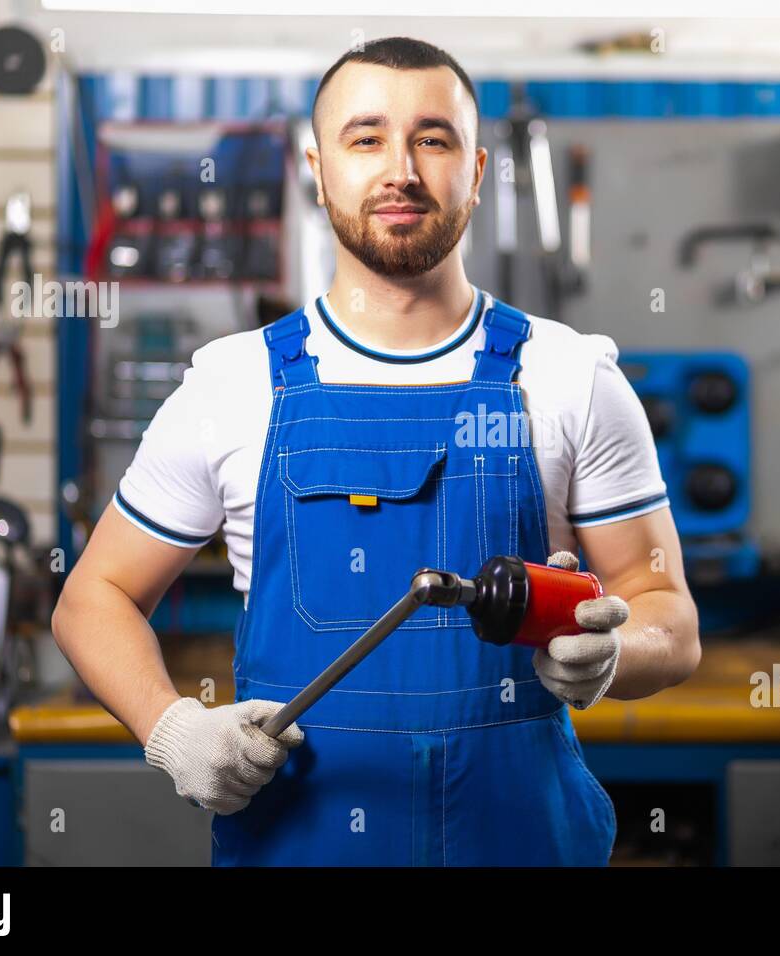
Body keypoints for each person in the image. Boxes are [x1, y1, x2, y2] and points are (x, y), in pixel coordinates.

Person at [51, 36, 700, 866]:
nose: (401, 170)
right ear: (317, 170)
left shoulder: (572, 377)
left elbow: (667, 613)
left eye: (433, 138)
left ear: (476, 170)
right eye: (366, 139)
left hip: (519, 842)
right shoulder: (232, 386)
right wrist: (170, 726)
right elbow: (92, 597)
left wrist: (617, 652)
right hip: (297, 839)